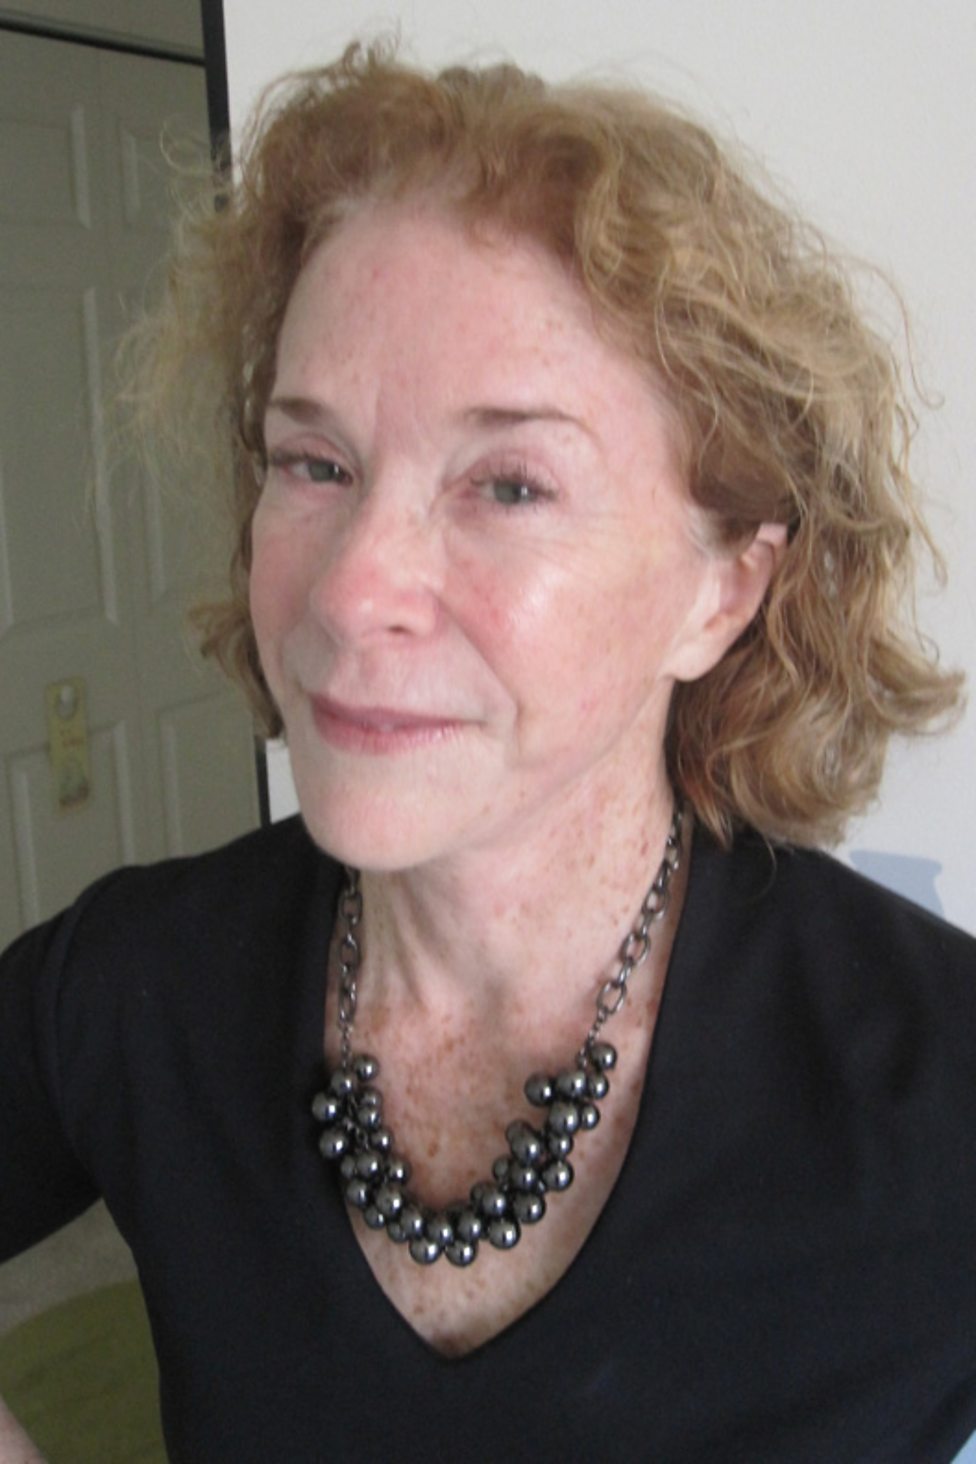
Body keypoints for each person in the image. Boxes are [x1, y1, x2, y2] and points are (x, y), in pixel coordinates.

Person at [2, 40, 975, 1463]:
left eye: (510, 484)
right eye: (315, 463)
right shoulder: (139, 985)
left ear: (724, 590)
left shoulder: (935, 1088)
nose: (351, 591)